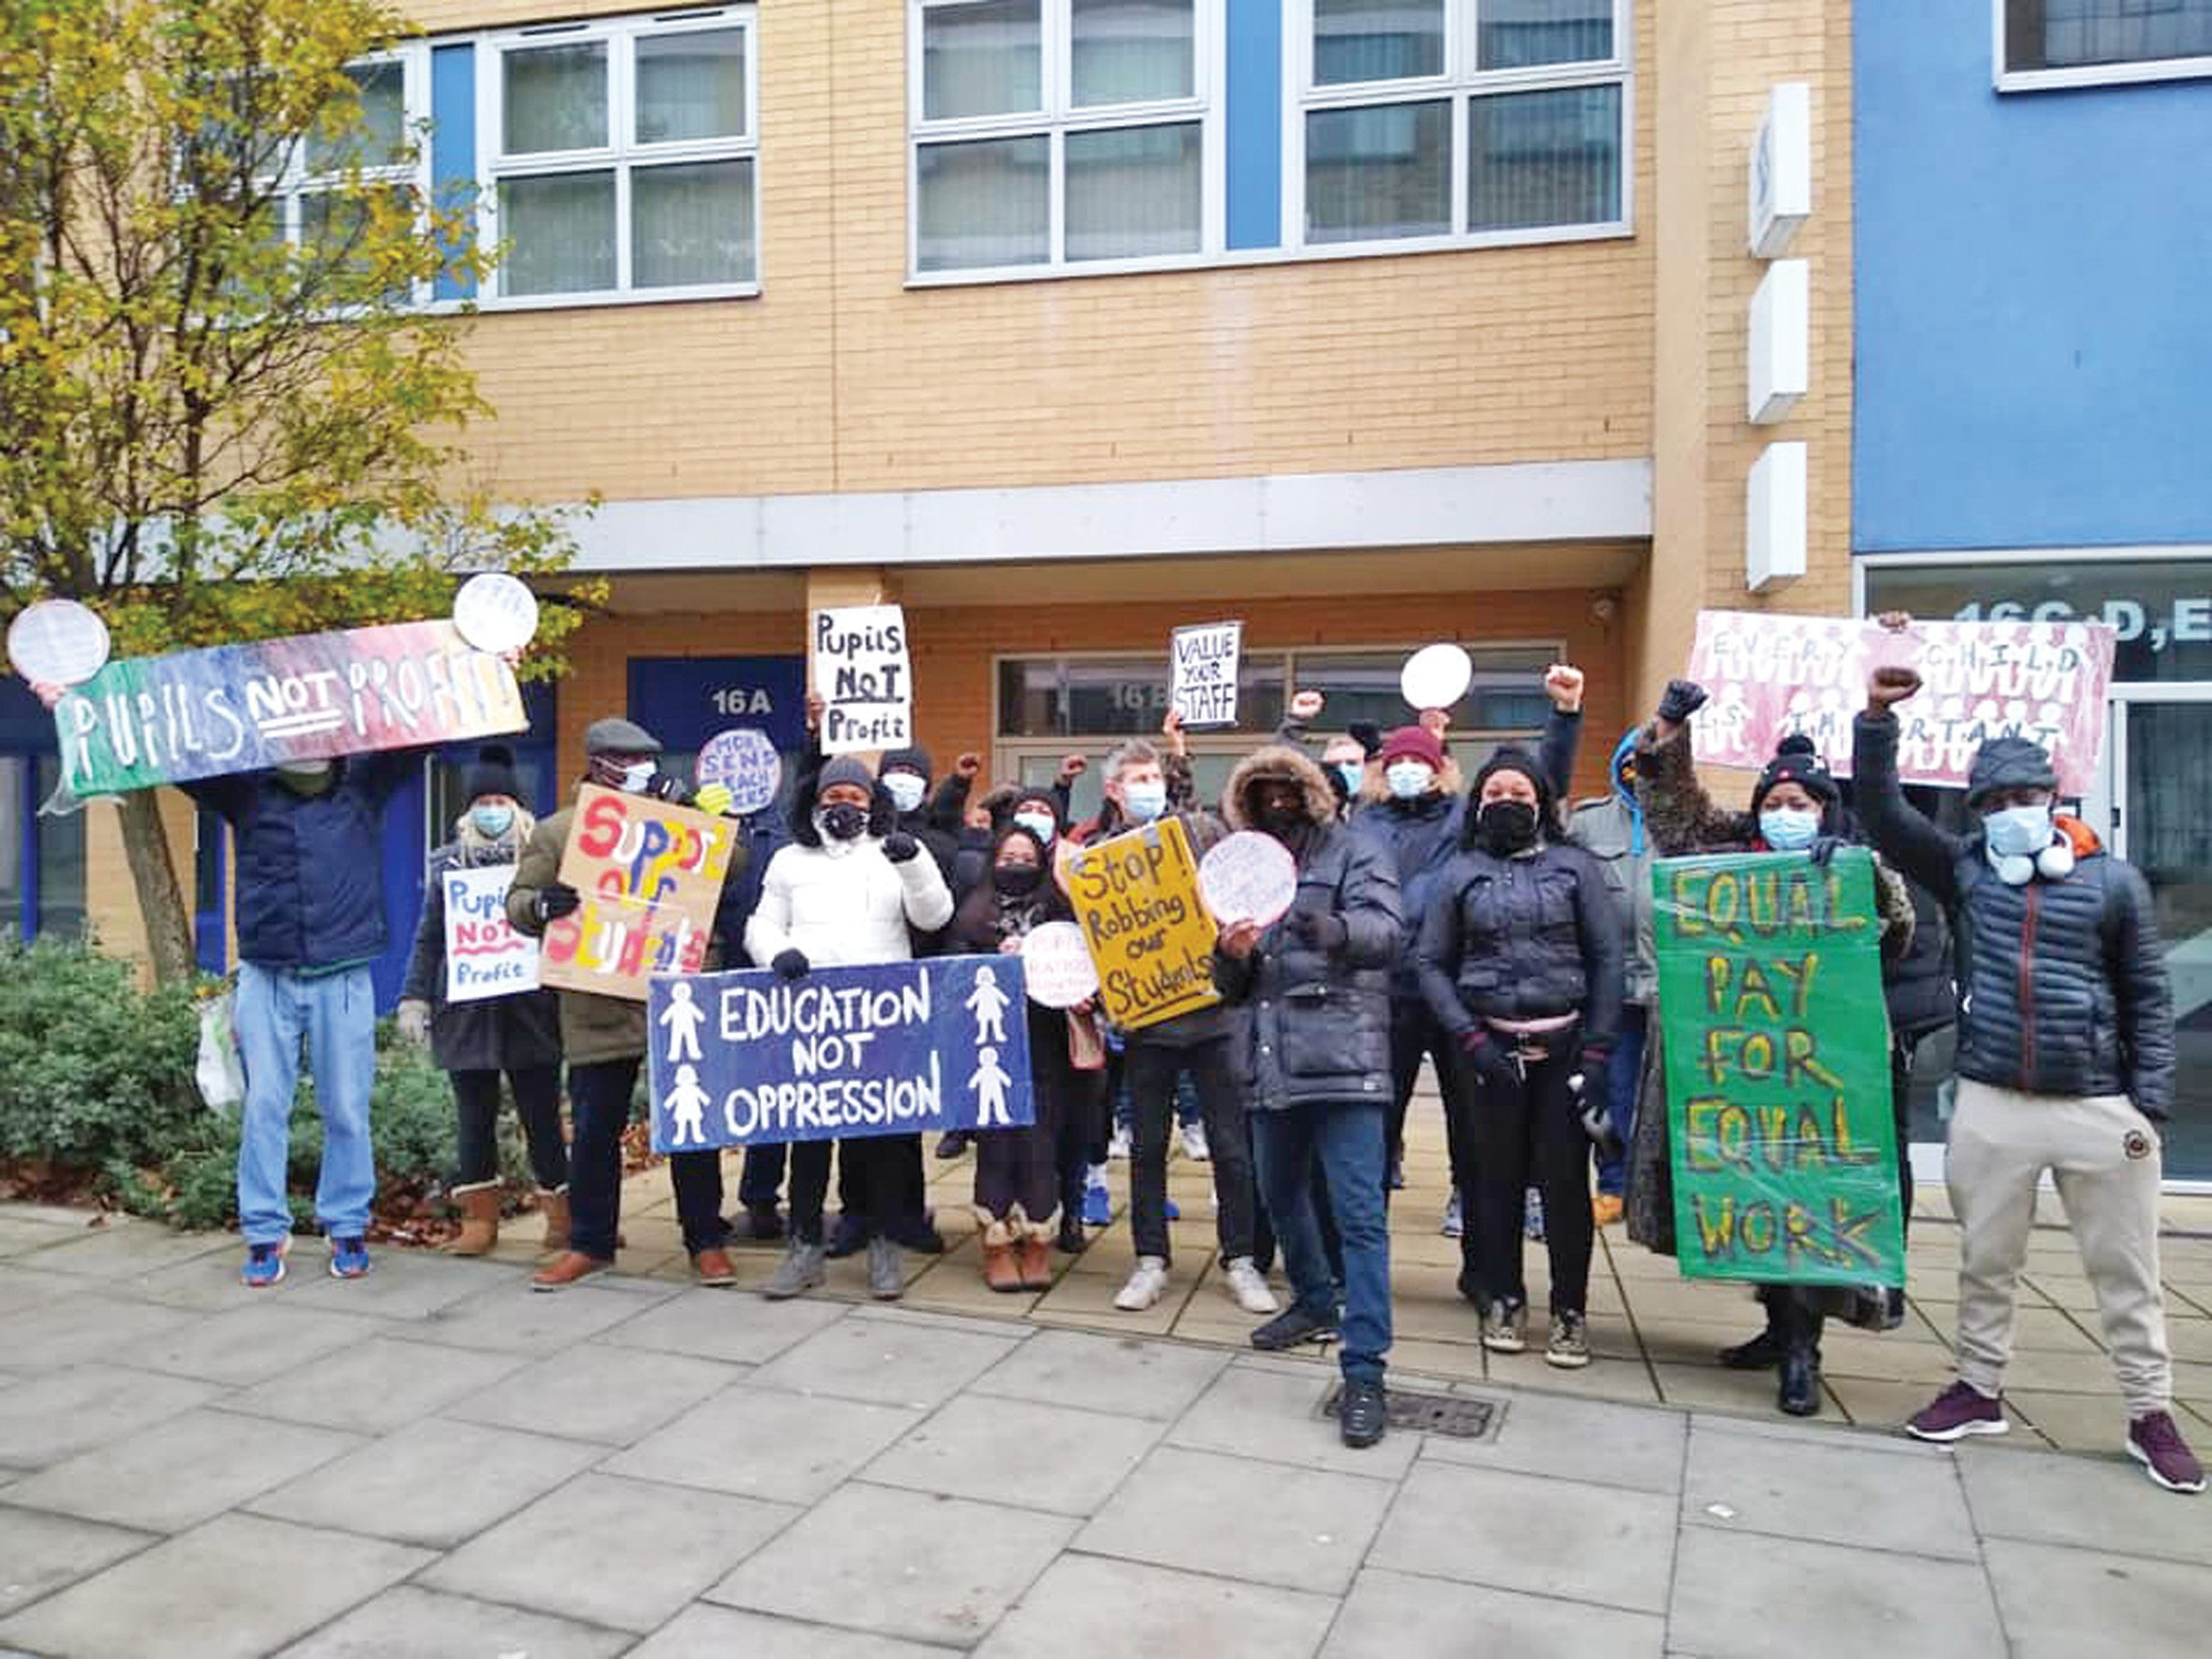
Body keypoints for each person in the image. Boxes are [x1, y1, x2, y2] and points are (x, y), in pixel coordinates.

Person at [1854, 654, 2203, 1493]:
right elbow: (1885, 815)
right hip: (1992, 1099)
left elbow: (2148, 996)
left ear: (2055, 799)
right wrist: (1877, 721)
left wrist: (2147, 1104)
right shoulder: (1969, 871)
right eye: (1996, 802)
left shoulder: (2113, 882)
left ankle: (2150, 1410)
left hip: (2095, 1104)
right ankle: (1978, 1388)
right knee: (1985, 1257)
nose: (2014, 813)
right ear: (1977, 813)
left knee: (2127, 1269)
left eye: (2026, 797)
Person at [1628, 683, 1915, 1415]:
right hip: (1738, 1067)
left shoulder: (1847, 864)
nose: (1787, 816)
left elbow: (1900, 930)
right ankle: (1774, 1325)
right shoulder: (1725, 853)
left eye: (1803, 805)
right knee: (1758, 1197)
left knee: (1806, 1198)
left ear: (1826, 811)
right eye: (1776, 804)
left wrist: (1858, 877)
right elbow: (1673, 810)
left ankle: (1801, 1349)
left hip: (1815, 1071)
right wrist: (1669, 729)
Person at [508, 718, 747, 1292]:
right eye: (627, 758)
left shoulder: (677, 823)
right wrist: (542, 904)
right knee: (594, 1129)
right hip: (597, 1002)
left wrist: (706, 821)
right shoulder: (559, 832)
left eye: (646, 759)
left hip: (673, 999)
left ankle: (705, 1239)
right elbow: (516, 902)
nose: (642, 768)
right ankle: (590, 1241)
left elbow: (733, 869)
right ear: (599, 763)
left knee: (690, 1127)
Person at [1213, 744, 1403, 1448]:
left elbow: (1388, 931)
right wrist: (1228, 955)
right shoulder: (1238, 864)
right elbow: (1227, 983)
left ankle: (1365, 1368)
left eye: (1286, 790)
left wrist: (1341, 930)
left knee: (1359, 1216)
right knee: (1279, 1192)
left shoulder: (1356, 849)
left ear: (1311, 794)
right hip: (1268, 1060)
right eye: (1260, 792)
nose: (1275, 802)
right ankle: (1316, 1300)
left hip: (1343, 1059)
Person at [1416, 737, 1621, 1369]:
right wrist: (1468, 1037)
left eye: (1520, 793)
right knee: (1494, 1182)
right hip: (1489, 1050)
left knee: (1563, 1187)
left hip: (1563, 1048)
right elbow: (1430, 959)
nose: (1507, 801)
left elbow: (1608, 956)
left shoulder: (1576, 867)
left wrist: (1596, 1052)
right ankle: (1504, 1294)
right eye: (1496, 792)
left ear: (1542, 803)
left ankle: (1570, 1309)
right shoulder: (1459, 873)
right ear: (1478, 802)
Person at [186, 749, 419, 1287]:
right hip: (267, 973)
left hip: (342, 974)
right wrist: (77, 698)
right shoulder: (247, 792)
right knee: (265, 1105)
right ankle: (265, 1232)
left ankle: (347, 1224)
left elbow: (426, 736)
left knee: (346, 1106)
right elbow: (175, 754)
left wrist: (492, 666)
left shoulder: (363, 785)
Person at [1079, 719, 1273, 1317]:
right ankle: (1150, 1260)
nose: (1148, 786)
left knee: (1230, 1146)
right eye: (1137, 779)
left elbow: (1236, 897)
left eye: (1154, 776)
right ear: (1113, 789)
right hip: (1147, 1026)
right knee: (1146, 1148)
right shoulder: (1095, 858)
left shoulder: (1202, 833)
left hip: (1213, 1015)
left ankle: (1241, 1259)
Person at [747, 752, 956, 1301]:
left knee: (881, 1142)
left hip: (879, 1019)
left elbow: (934, 916)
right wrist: (779, 953)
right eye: (834, 798)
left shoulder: (892, 854)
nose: (844, 807)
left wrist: (915, 863)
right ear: (815, 804)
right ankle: (804, 1244)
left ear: (873, 804)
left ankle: (885, 1247)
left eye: (856, 799)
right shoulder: (790, 861)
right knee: (808, 1141)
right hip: (811, 1017)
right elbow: (762, 924)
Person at [396, 745, 567, 1256]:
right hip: (467, 1013)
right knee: (474, 1117)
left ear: (517, 806)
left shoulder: (542, 857)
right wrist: (415, 998)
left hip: (531, 1009)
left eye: (501, 799)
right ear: (468, 810)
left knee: (542, 1115)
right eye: (483, 801)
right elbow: (430, 937)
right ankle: (479, 1221)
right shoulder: (447, 864)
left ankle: (563, 1218)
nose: (491, 809)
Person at [949, 825, 1085, 1290]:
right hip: (988, 1048)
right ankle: (997, 1243)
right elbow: (953, 977)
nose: (1017, 863)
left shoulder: (1062, 913)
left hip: (1046, 1046)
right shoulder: (971, 914)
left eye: (1027, 855)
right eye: (1008, 856)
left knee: (1040, 1145)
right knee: (995, 1146)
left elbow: (1086, 966)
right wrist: (994, 959)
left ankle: (1038, 1241)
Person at [1564, 726, 1655, 1229]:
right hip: (1610, 985)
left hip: (1669, 986)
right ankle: (1615, 1185)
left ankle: (1661, 1195)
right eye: (1630, 762)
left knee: (1664, 1097)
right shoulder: (1589, 822)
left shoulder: (1685, 824)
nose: (1638, 774)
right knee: (1610, 1093)